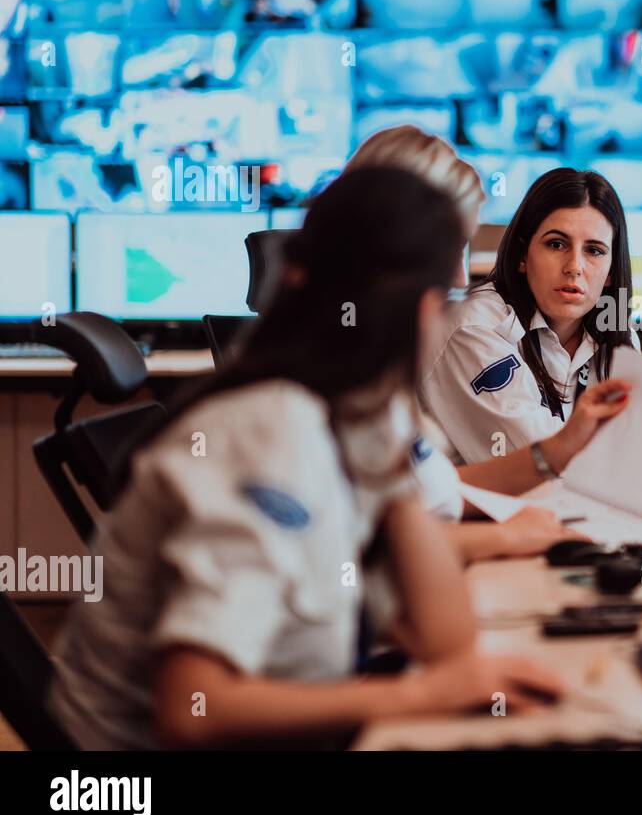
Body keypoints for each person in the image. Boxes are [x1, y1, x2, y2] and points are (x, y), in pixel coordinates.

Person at [46, 168, 586, 750]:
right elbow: (193, 709)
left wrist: (395, 466)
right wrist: (420, 695)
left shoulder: (357, 415)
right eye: (444, 289)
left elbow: (443, 640)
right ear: (426, 309)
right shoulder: (268, 432)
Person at [337, 130, 631, 558]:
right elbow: (365, 546)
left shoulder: (375, 381)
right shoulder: (318, 396)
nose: (459, 280)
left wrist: (558, 453)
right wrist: (503, 536)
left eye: (595, 251)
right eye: (445, 250)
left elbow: (431, 492)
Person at [424, 167, 640, 464]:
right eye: (556, 244)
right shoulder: (475, 327)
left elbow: (632, 452)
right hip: (469, 510)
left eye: (594, 250)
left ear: (611, 273)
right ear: (523, 256)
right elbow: (536, 465)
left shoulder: (619, 336)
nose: (574, 266)